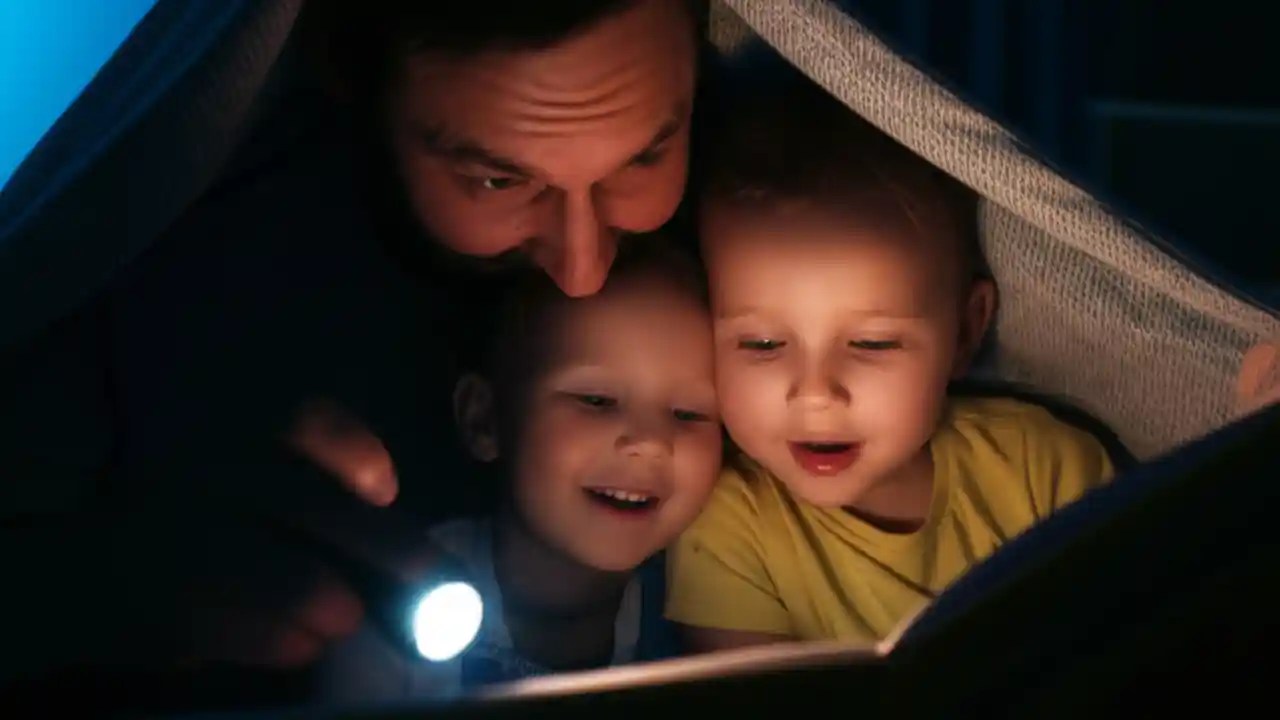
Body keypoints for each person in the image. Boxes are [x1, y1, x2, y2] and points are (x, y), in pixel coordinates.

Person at [0, 0, 701, 708]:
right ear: (356, 80)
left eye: (644, 155)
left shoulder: (738, 213)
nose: (583, 269)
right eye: (498, 180)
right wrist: (102, 589)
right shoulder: (131, 233)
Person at [664, 56, 1117, 651]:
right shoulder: (727, 526)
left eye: (872, 343)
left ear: (964, 332)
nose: (817, 391)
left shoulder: (1047, 473)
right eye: (764, 343)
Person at [320, 238, 720, 703]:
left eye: (689, 414)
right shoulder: (396, 595)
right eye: (596, 401)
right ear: (484, 420)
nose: (650, 443)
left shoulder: (712, 609)